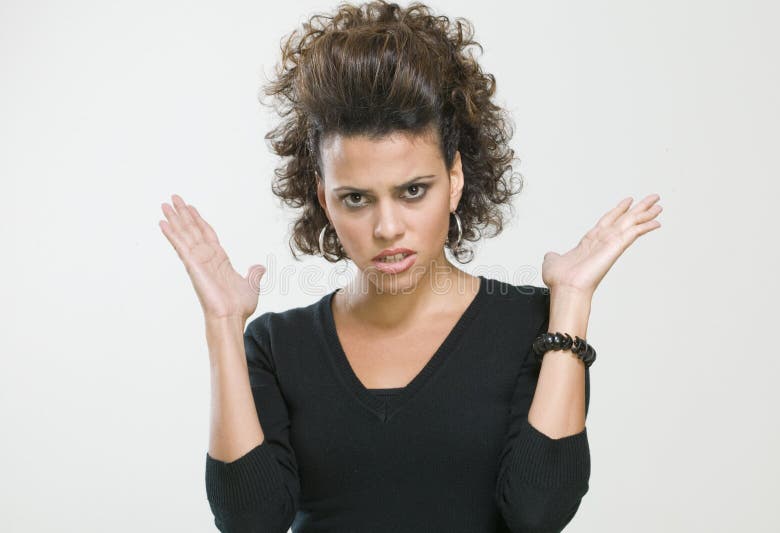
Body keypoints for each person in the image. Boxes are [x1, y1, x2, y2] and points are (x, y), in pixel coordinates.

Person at [158, 1, 662, 531]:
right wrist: (222, 327)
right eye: (356, 198)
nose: (387, 227)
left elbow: (539, 512)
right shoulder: (276, 346)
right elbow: (250, 521)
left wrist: (573, 301)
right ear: (324, 200)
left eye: (413, 191)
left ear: (456, 179)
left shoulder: (536, 328)